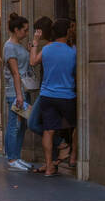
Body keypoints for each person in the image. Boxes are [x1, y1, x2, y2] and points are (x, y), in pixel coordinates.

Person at [33, 18, 77, 176]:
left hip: (47, 95)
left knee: (48, 130)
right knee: (76, 126)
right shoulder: (73, 50)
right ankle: (72, 157)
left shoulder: (47, 49)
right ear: (67, 32)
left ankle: (49, 166)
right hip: (67, 95)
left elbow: (32, 61)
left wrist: (35, 43)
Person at [3, 13, 36, 172]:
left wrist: (29, 51)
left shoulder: (19, 46)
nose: (26, 33)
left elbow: (25, 67)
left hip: (22, 90)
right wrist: (19, 96)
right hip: (15, 92)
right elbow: (15, 73)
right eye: (24, 30)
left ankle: (16, 156)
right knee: (14, 125)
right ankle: (12, 159)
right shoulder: (9, 47)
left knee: (22, 125)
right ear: (16, 30)